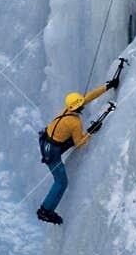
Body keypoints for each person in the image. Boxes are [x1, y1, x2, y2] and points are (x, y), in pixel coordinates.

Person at [37, 73, 120, 225]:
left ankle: (46, 209)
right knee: (61, 182)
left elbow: (87, 97)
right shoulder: (75, 123)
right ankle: (45, 210)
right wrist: (90, 132)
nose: (83, 104)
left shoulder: (67, 110)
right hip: (52, 152)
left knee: (60, 176)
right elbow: (79, 143)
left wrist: (107, 87)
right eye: (81, 104)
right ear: (77, 107)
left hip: (47, 141)